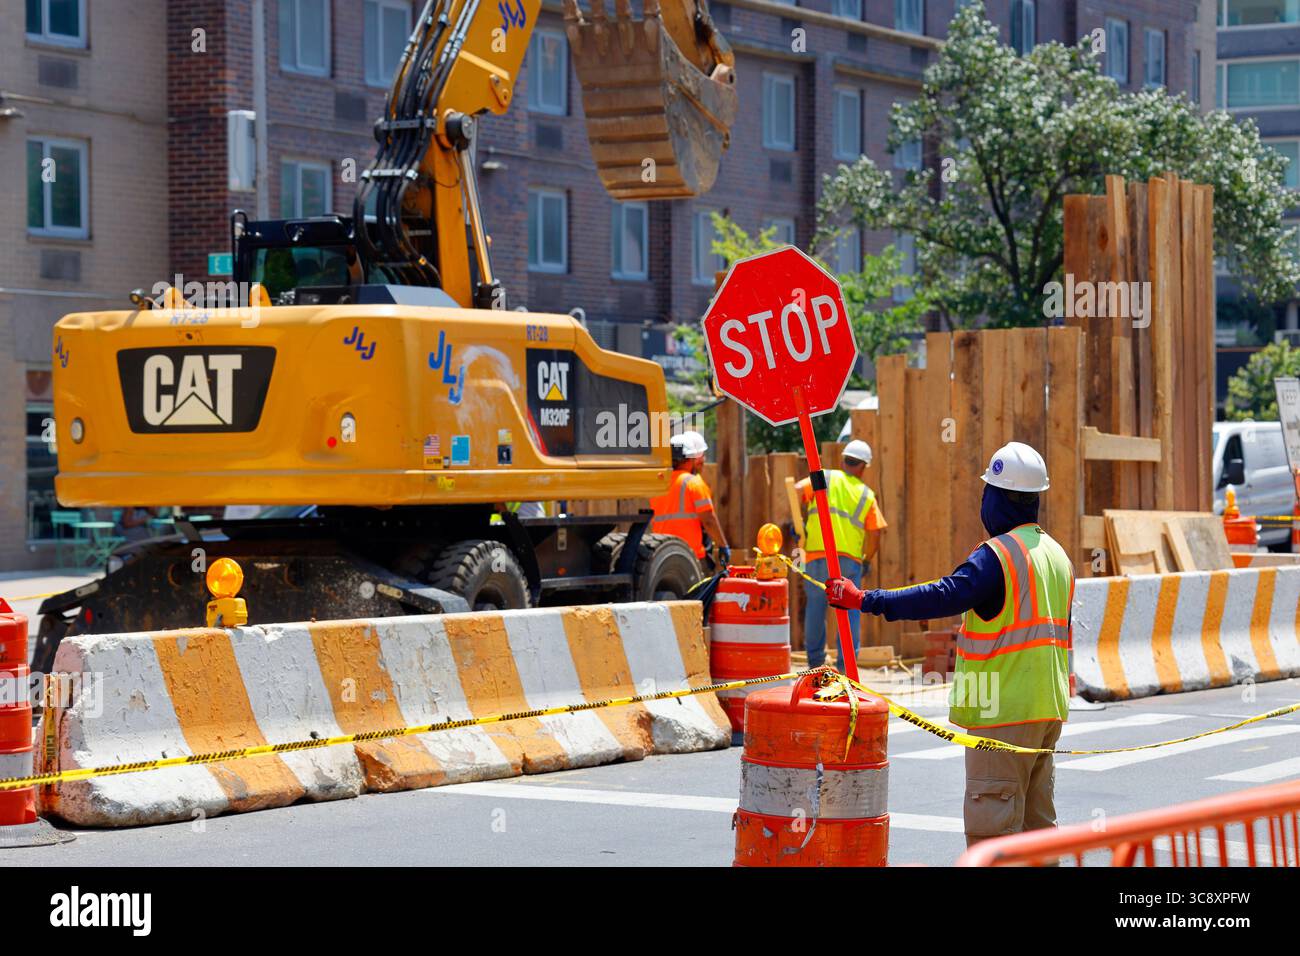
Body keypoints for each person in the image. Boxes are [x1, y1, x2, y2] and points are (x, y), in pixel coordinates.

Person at [825, 441, 1073, 848]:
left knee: (992, 830)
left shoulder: (999, 555)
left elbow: (945, 594)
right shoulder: (1057, 555)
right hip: (1047, 710)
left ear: (998, 500)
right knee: (1036, 829)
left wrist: (866, 600)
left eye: (986, 494)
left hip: (1003, 712)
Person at [796, 439, 887, 670]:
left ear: (843, 460)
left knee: (815, 608)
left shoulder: (825, 477)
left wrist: (799, 521)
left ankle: (816, 665)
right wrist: (867, 559)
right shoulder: (866, 494)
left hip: (817, 555)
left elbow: (796, 490)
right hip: (849, 562)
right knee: (849, 612)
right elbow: (876, 533)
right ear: (864, 466)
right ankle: (846, 669)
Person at [650, 431, 730, 568]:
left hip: (661, 555)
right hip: (689, 556)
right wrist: (723, 545)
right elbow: (709, 520)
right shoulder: (693, 483)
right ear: (690, 459)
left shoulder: (659, 484)